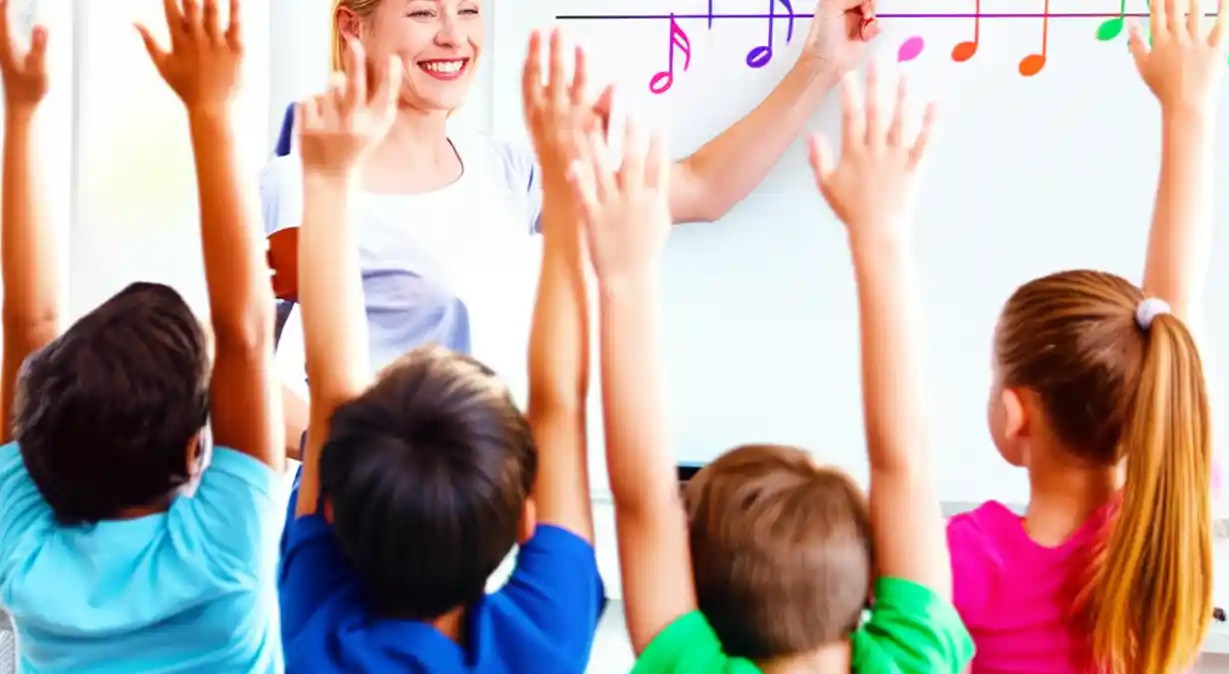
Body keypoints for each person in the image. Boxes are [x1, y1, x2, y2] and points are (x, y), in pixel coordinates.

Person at [262, 0, 880, 460]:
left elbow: (699, 188)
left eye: (470, 10)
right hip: (372, 529)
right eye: (424, 12)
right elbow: (240, 367)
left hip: (496, 511)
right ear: (353, 25)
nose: (453, 35)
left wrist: (820, 65)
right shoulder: (305, 185)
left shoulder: (502, 170)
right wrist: (346, 459)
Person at [566, 56, 972, 674]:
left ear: (691, 594)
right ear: (872, 580)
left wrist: (624, 275)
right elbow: (905, 461)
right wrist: (882, 233)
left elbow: (641, 500)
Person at [277, 30, 601, 674]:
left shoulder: (313, 637)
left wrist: (328, 180)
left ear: (328, 505)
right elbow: (562, 401)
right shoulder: (545, 650)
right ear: (524, 519)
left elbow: (330, 383)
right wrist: (570, 179)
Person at [0, 0, 287, 674]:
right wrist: (211, 108)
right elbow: (249, 333)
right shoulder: (222, 554)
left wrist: (24, 109)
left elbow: (27, 321)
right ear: (197, 452)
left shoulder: (24, 557)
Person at [946, 0, 1227, 674]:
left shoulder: (973, 558)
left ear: (1016, 413)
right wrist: (1187, 108)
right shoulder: (1171, 531)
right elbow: (1174, 310)